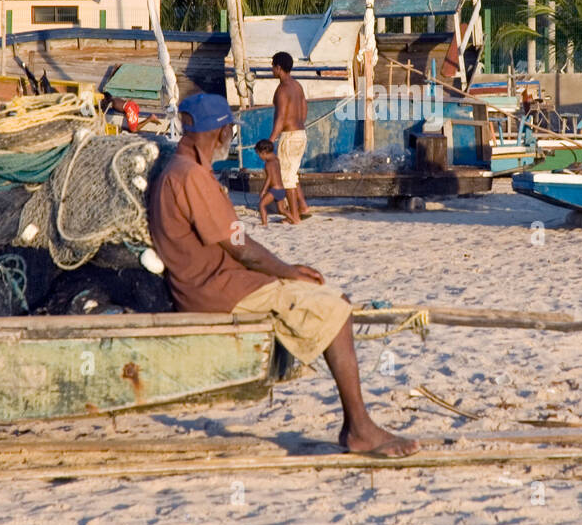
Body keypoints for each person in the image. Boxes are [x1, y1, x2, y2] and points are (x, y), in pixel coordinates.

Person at [148, 92, 417, 457]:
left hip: (216, 284)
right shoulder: (190, 176)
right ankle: (359, 428)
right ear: (218, 133)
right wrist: (287, 271)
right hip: (220, 291)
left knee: (326, 297)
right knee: (336, 309)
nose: (230, 139)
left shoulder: (179, 171)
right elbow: (240, 245)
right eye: (229, 131)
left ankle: (358, 423)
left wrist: (286, 273)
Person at [269, 51, 311, 220]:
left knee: (286, 177)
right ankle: (303, 207)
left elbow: (280, 117)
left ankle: (293, 215)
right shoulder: (297, 85)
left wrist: (271, 139)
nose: (271, 69)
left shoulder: (282, 89)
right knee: (292, 173)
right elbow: (304, 109)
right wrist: (297, 125)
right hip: (301, 134)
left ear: (278, 68)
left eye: (272, 66)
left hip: (290, 136)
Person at [254, 139, 292, 226]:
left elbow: (269, 178)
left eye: (259, 154)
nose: (259, 157)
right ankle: (294, 219)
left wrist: (264, 190)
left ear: (263, 152)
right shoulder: (276, 159)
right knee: (282, 209)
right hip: (281, 189)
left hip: (274, 190)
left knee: (262, 205)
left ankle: (264, 223)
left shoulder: (268, 164)